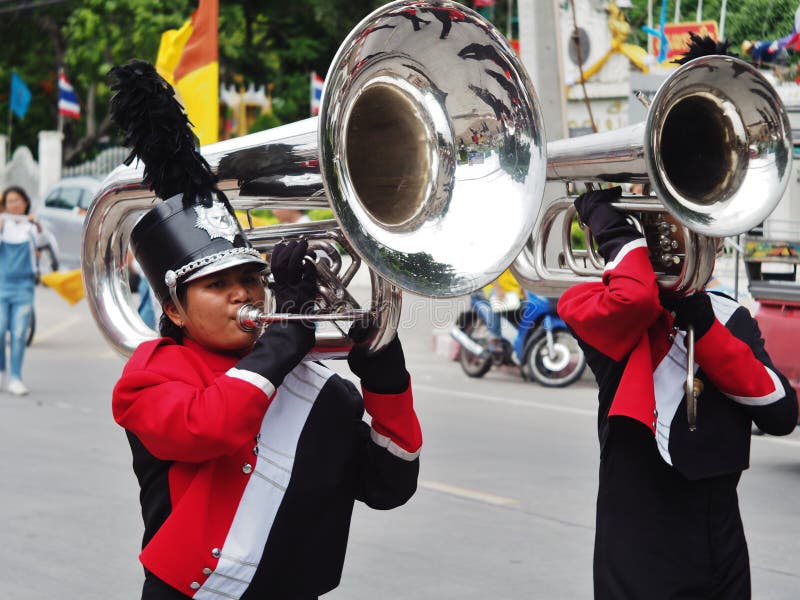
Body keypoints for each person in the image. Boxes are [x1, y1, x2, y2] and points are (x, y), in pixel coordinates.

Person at [107, 59, 421, 600]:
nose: (243, 294)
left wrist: (386, 379)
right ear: (175, 310)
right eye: (216, 284)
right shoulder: (152, 376)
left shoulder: (319, 386)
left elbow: (388, 486)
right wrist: (281, 345)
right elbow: (208, 429)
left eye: (251, 276)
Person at [557, 185, 798, 599]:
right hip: (636, 548)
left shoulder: (729, 315)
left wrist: (705, 328)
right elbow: (634, 297)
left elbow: (781, 414)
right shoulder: (589, 303)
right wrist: (613, 229)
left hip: (718, 549)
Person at [0, 185, 40, 395]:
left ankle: (15, 377)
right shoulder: (2, 226)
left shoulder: (32, 227)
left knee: (17, 334)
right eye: (9, 201)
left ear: (25, 202)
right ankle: (1, 370)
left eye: (17, 200)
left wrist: (37, 227)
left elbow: (44, 249)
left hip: (24, 287)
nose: (14, 204)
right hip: (1, 286)